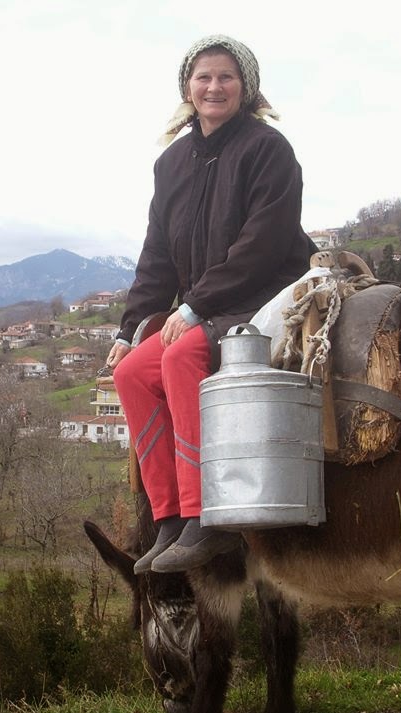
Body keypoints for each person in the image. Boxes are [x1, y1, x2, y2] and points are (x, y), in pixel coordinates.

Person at [105, 34, 316, 574]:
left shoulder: (269, 150)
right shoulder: (171, 164)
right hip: (207, 304)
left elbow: (264, 245)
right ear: (187, 88)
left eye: (227, 77)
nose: (214, 86)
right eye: (204, 77)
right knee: (132, 373)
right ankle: (170, 516)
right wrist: (129, 330)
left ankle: (207, 517)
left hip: (265, 294)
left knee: (181, 356)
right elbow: (157, 256)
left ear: (246, 87)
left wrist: (194, 307)